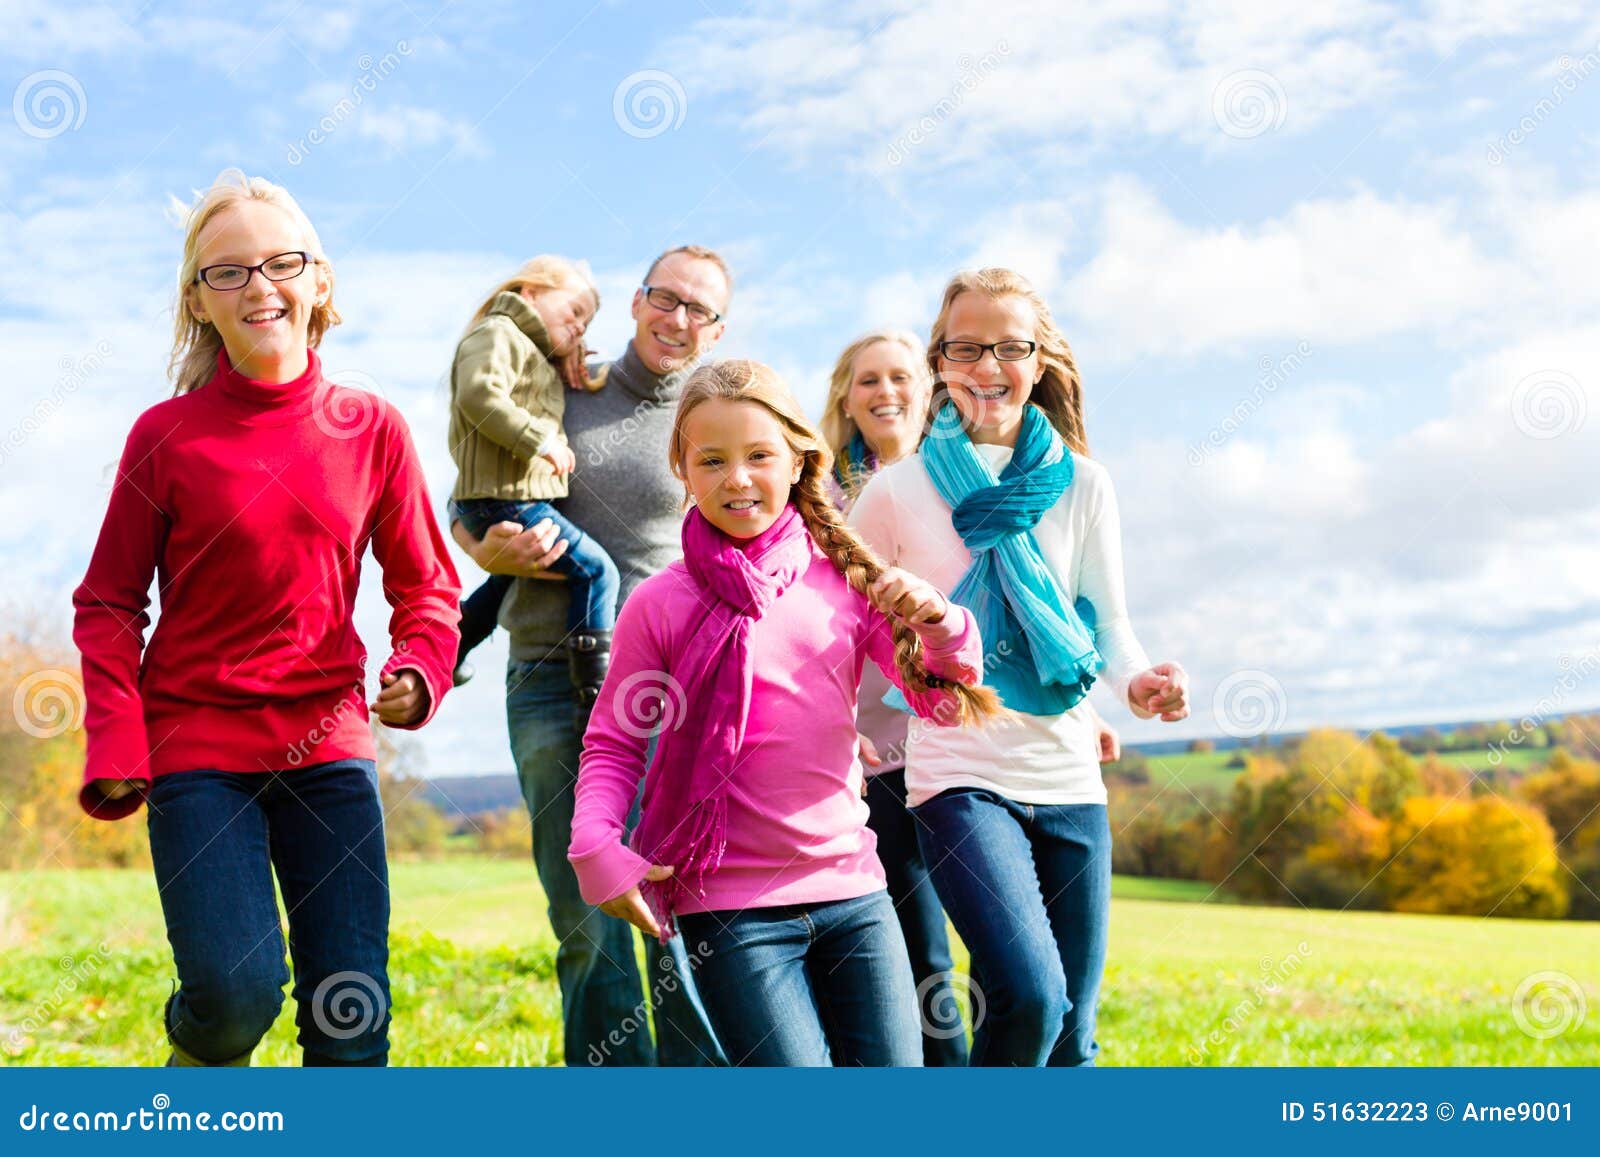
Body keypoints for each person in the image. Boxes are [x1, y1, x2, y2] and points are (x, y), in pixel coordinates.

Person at [72, 170, 460, 1066]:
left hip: (328, 747)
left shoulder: (374, 428)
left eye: (280, 262)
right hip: (198, 747)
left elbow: (428, 587)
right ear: (197, 301)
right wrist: (116, 741)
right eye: (227, 272)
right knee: (235, 994)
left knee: (350, 1014)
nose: (258, 286)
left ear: (318, 279)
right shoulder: (164, 438)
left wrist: (422, 668)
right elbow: (106, 605)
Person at [569, 359, 1004, 1065]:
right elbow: (615, 743)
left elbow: (938, 702)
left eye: (759, 456)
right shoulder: (658, 603)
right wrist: (595, 842)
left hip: (854, 891)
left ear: (800, 459)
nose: (737, 478)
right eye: (712, 460)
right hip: (728, 908)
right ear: (683, 467)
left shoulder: (844, 583)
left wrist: (941, 623)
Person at [849, 268, 1189, 1066]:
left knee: (1072, 1036)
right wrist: (844, 730)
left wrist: (1138, 683)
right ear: (940, 361)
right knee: (1031, 995)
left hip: (1070, 774)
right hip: (958, 771)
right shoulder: (895, 492)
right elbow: (846, 631)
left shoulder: (1084, 483)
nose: (988, 365)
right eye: (967, 347)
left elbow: (1105, 619)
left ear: (1040, 361)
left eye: (1010, 346)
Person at [450, 246, 732, 1066]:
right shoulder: (570, 383)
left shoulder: (715, 417)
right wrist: (482, 544)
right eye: (664, 298)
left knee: (677, 909)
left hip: (661, 688)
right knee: (585, 919)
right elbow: (467, 484)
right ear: (638, 301)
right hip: (546, 673)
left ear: (718, 330)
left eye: (699, 310)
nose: (677, 320)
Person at [820, 329, 1124, 1063]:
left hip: (974, 741)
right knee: (924, 950)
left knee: (1020, 977)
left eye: (899, 376)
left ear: (927, 392)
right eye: (868, 381)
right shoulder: (830, 497)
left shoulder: (981, 489)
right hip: (885, 751)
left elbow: (1045, 619)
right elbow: (827, 625)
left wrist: (1086, 704)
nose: (885, 392)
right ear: (844, 399)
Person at [446, 256, 617, 703]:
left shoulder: (534, 354)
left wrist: (567, 356)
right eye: (575, 311)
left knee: (508, 579)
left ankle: (452, 645)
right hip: (505, 502)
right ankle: (594, 691)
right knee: (599, 572)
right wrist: (540, 440)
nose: (581, 326)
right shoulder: (497, 332)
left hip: (502, 501)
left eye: (588, 322)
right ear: (531, 293)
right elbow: (479, 394)